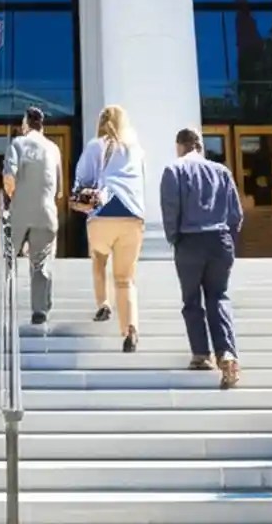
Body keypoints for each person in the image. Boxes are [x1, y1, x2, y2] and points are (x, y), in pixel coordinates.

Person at [160, 128, 244, 387]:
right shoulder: (222, 171)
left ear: (180, 146)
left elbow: (170, 208)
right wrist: (228, 238)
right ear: (199, 145)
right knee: (218, 296)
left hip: (190, 241)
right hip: (220, 240)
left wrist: (174, 237)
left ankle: (201, 354)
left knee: (192, 299)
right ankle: (228, 354)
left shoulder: (173, 170)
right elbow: (236, 215)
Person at [72, 105, 147, 353]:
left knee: (99, 258)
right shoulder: (135, 149)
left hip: (102, 216)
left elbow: (81, 180)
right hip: (132, 218)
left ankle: (103, 303)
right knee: (125, 279)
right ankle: (130, 330)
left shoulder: (96, 145)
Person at [2, 107, 63, 325]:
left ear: (26, 123)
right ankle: (40, 311)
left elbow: (9, 177)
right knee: (41, 262)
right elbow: (59, 191)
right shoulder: (54, 148)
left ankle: (6, 304)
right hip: (46, 213)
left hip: (20, 211)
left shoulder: (17, 144)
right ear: (42, 124)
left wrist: (13, 199)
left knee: (8, 259)